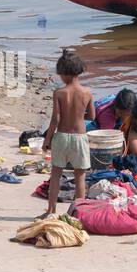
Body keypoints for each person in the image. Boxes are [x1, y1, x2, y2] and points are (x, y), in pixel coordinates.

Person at [41, 50, 95, 218]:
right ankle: (80, 212)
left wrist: (47, 139)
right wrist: (79, 115)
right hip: (80, 138)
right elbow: (92, 116)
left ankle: (51, 211)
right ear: (79, 71)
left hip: (62, 137)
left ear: (63, 73)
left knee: (56, 174)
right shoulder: (87, 92)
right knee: (80, 176)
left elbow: (55, 119)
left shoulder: (59, 93)